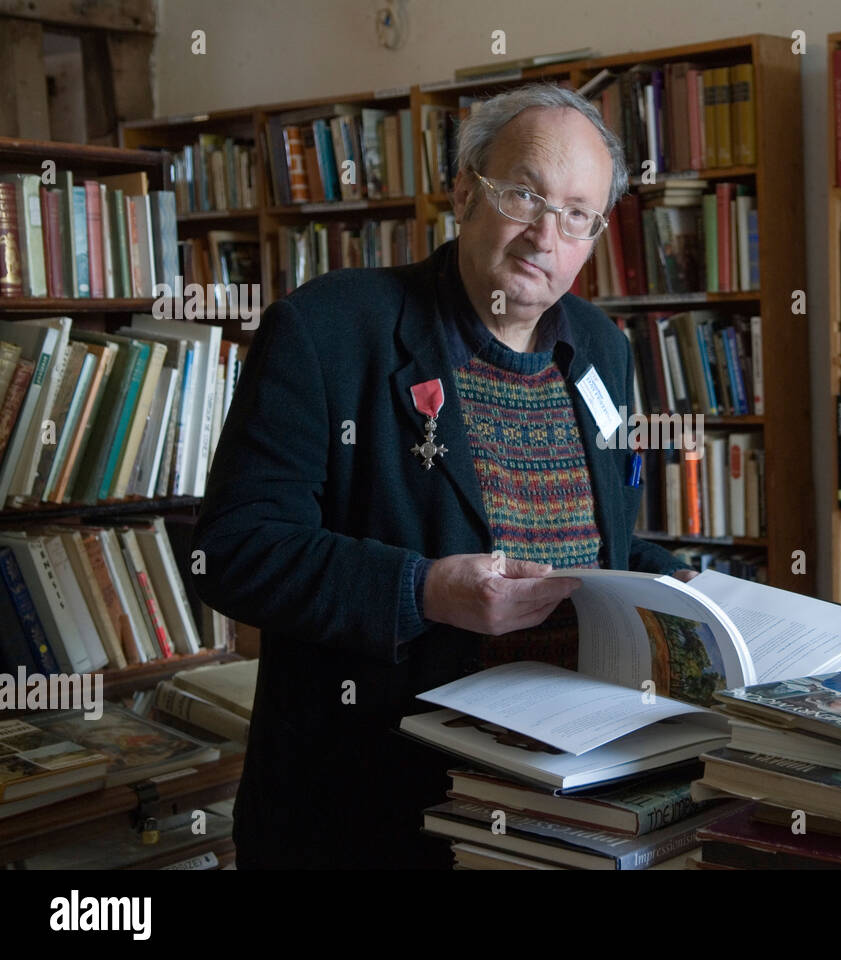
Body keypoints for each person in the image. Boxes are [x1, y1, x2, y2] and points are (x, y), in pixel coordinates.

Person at [192, 83, 697, 869]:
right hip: (375, 811)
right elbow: (232, 550)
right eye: (524, 193)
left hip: (565, 804)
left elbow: (607, 548)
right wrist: (423, 590)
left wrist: (681, 587)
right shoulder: (330, 329)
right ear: (464, 188)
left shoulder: (602, 348)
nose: (544, 236)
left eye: (576, 214)